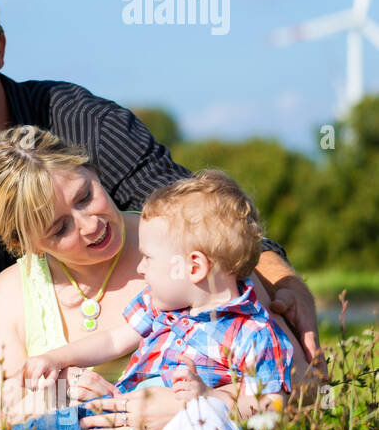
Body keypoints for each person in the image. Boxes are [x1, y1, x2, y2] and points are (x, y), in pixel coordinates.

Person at [0, 0, 322, 394]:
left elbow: (201, 220)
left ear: (0, 48)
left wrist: (287, 285)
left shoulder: (88, 126)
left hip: (155, 372)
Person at [0, 126, 310, 430]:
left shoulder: (180, 242)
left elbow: (295, 383)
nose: (90, 224)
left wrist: (198, 402)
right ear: (27, 244)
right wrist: (62, 393)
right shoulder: (12, 293)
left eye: (85, 196)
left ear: (93, 169)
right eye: (59, 228)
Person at [24, 170, 293, 413]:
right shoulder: (157, 305)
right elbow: (112, 341)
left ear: (194, 266)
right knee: (58, 425)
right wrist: (56, 357)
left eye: (148, 258)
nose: (140, 268)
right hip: (125, 420)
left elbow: (271, 403)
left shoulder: (253, 333)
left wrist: (209, 399)